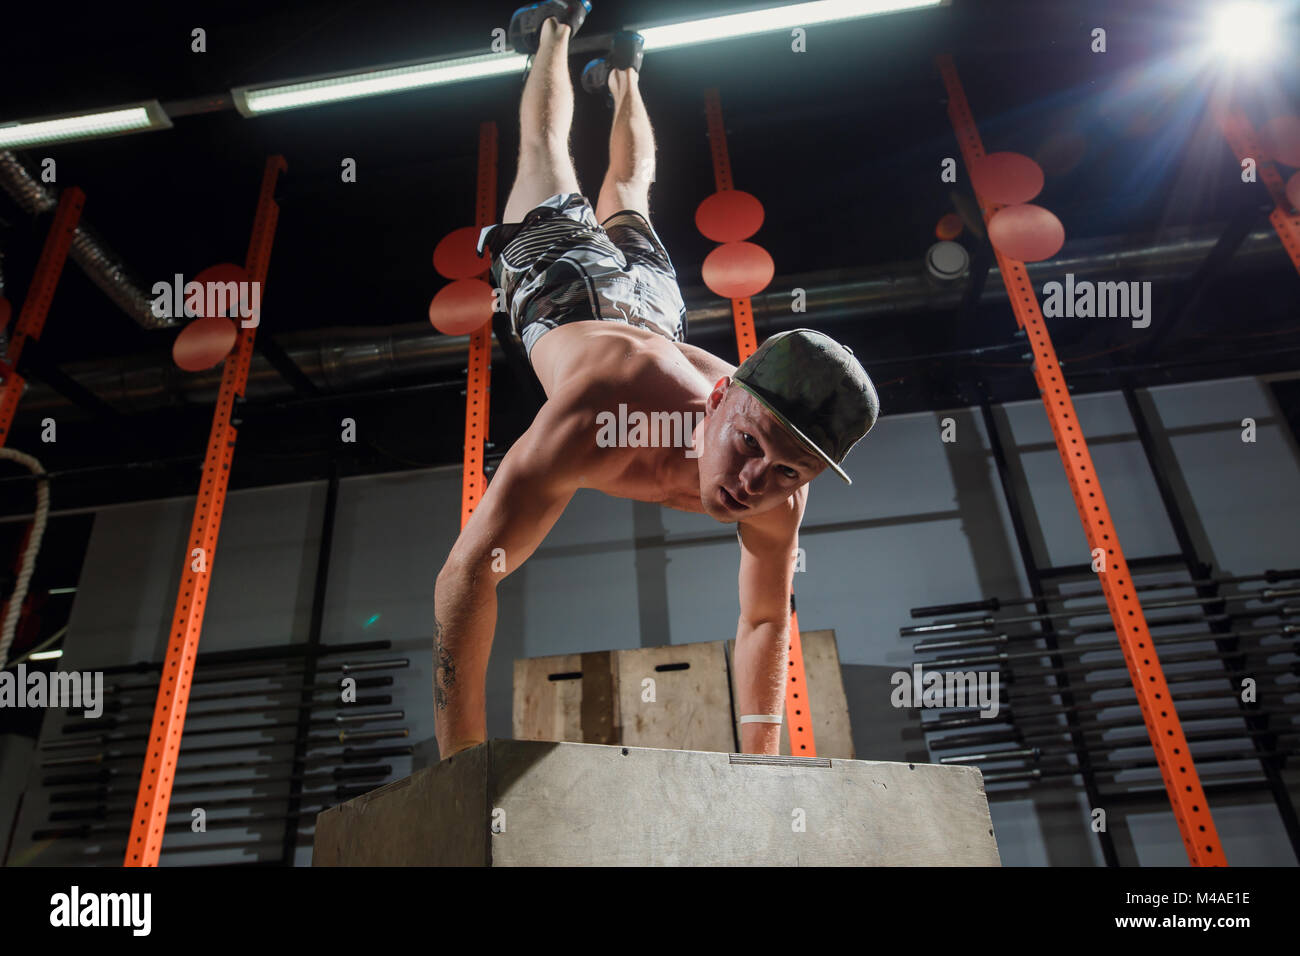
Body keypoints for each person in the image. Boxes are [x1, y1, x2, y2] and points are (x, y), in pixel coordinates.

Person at [434, 0, 879, 758]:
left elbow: (768, 619)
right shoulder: (596, 420)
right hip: (563, 282)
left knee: (633, 189)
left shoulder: (782, 484)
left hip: (652, 313)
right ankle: (553, 31)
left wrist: (763, 757)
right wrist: (460, 760)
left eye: (786, 472)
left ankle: (627, 72)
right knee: (546, 152)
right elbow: (469, 573)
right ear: (719, 397)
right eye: (748, 446)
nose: (754, 483)